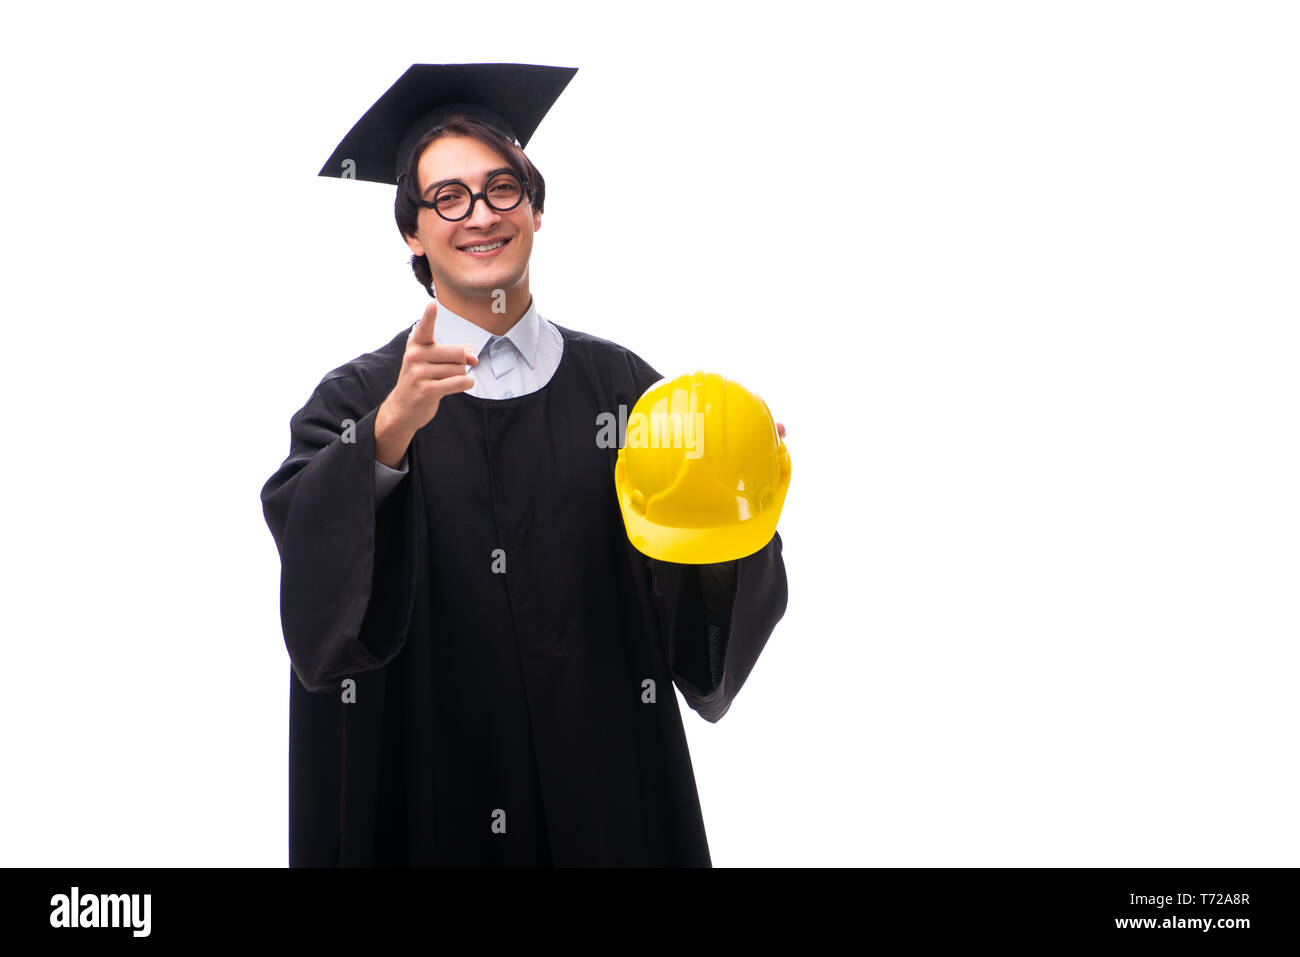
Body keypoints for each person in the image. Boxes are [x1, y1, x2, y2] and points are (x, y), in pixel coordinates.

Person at [259, 63, 789, 866]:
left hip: (607, 805)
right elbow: (319, 612)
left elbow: (696, 636)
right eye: (448, 197)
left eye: (502, 188)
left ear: (536, 209)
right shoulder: (358, 401)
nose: (480, 215)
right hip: (433, 807)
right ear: (413, 232)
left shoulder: (626, 393)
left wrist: (733, 504)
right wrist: (385, 439)